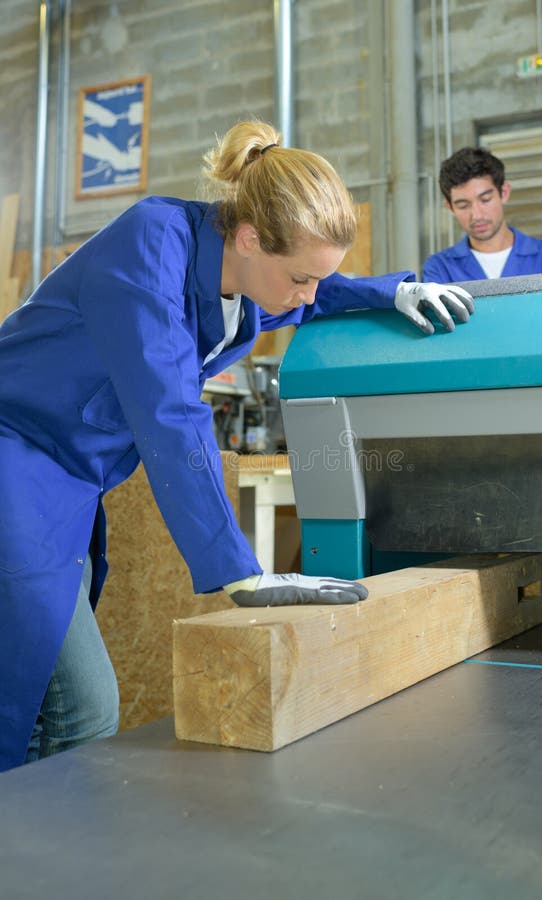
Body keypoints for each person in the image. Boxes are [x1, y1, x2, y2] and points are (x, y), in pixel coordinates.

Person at [0, 120, 474, 772]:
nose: (308, 297)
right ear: (249, 237)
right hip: (16, 462)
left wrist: (387, 291)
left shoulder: (244, 277)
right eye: (301, 280)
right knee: (66, 707)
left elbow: (314, 286)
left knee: (44, 702)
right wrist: (239, 570)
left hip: (69, 481)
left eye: (315, 281)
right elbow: (169, 414)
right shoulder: (148, 250)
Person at [422, 146, 542, 282]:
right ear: (450, 207)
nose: (477, 215)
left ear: (504, 193)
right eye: (463, 205)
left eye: (485, 200)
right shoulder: (440, 269)